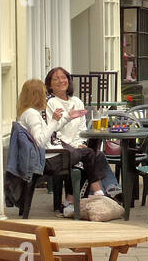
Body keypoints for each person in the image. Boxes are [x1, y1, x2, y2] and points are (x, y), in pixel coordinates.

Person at [41, 67, 122, 212]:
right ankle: (103, 192)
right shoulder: (50, 103)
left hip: (76, 146)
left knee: (96, 155)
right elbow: (52, 131)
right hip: (61, 149)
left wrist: (80, 143)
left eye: (64, 77)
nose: (61, 81)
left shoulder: (77, 101)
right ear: (49, 84)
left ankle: (73, 200)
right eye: (56, 78)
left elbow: (82, 128)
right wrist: (72, 146)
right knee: (91, 156)